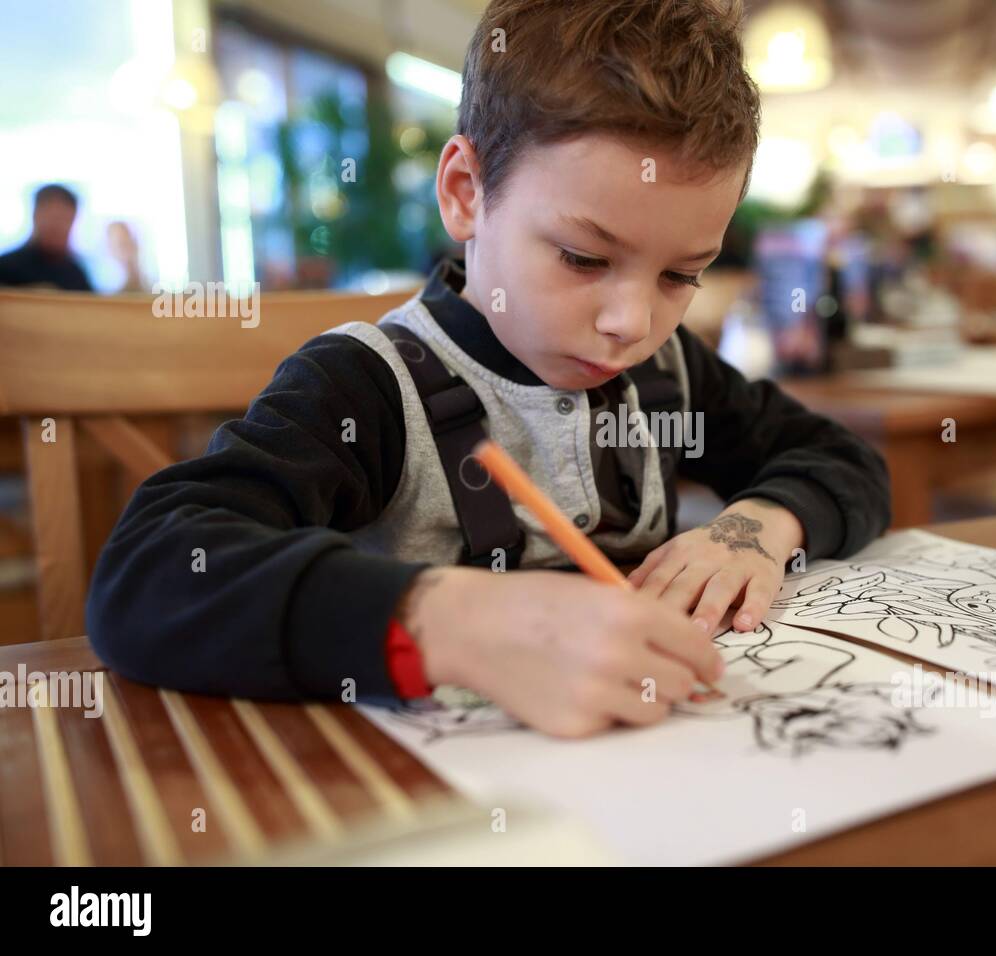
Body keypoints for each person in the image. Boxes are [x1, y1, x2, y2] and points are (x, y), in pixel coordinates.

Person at [87, 0, 892, 739]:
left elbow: (843, 458)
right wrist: (448, 622)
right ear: (466, 192)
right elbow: (149, 572)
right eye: (584, 257)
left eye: (681, 275)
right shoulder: (366, 387)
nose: (631, 323)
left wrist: (751, 530)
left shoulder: (668, 373)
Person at [0, 184, 94, 291]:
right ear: (35, 215)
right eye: (52, 217)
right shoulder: (6, 267)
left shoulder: (76, 273)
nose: (57, 226)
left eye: (64, 219)